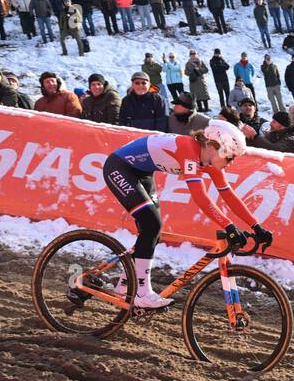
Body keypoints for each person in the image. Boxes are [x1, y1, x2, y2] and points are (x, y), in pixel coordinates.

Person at [102, 120, 272, 308]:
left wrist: (256, 226)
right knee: (152, 224)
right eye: (230, 157)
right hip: (119, 167)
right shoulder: (189, 151)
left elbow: (228, 195)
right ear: (215, 146)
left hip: (142, 174)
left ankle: (124, 285)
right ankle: (143, 294)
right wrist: (229, 226)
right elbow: (200, 197)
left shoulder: (207, 159)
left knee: (152, 232)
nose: (230, 164)